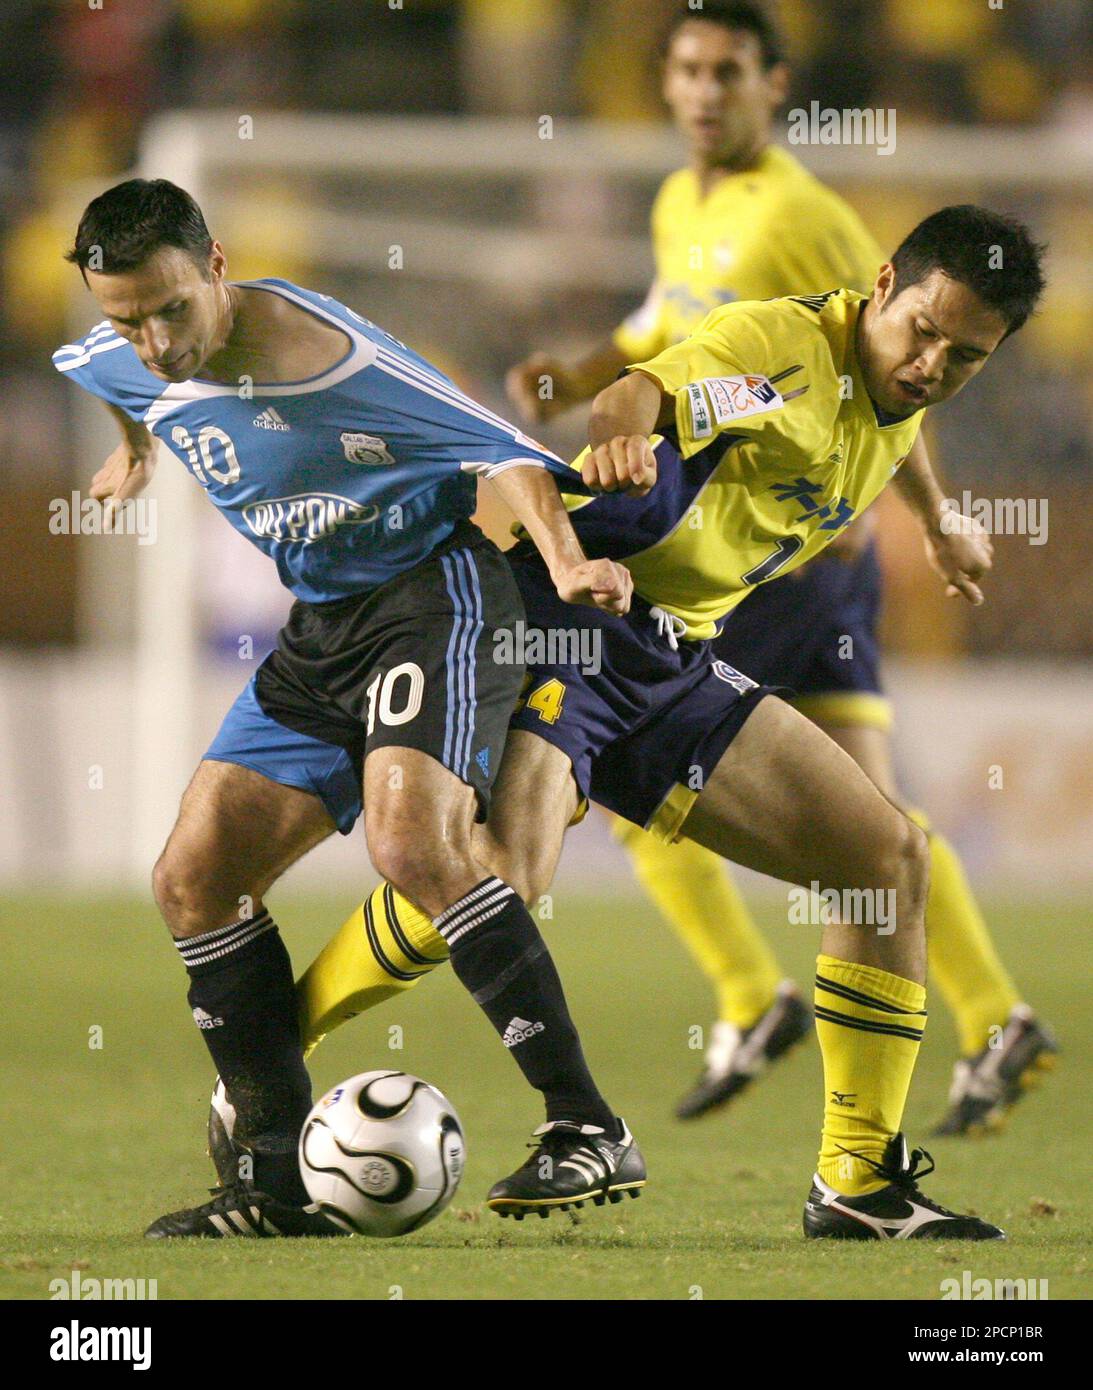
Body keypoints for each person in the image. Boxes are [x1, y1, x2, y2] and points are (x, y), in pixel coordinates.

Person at [263, 205, 1048, 1238]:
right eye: (923, 331)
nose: (931, 364)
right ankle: (271, 1055)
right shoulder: (784, 353)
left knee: (883, 854)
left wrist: (940, 520)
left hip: (666, 653)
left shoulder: (896, 385)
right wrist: (623, 428)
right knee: (504, 875)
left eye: (965, 358)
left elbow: (897, 429)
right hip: (564, 611)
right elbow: (649, 389)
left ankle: (857, 1184)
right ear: (884, 281)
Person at [54, 177, 649, 1240]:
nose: (149, 341)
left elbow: (501, 447)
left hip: (432, 597)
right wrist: (136, 445)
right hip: (322, 626)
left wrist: (564, 563)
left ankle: (586, 1120)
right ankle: (277, 1181)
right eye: (126, 317)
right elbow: (106, 372)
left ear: (220, 265)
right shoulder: (126, 351)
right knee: (192, 880)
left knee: (411, 844)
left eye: (169, 310)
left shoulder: (334, 362)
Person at [506, 0, 1056, 1132]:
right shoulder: (681, 202)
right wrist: (577, 374)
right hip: (768, 534)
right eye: (688, 72)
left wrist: (923, 514)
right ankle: (985, 1015)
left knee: (650, 764)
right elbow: (670, 326)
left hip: (790, 550)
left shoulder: (804, 218)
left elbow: (902, 360)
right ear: (664, 84)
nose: (706, 93)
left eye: (730, 73)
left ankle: (757, 998)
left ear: (774, 85)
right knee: (861, 823)